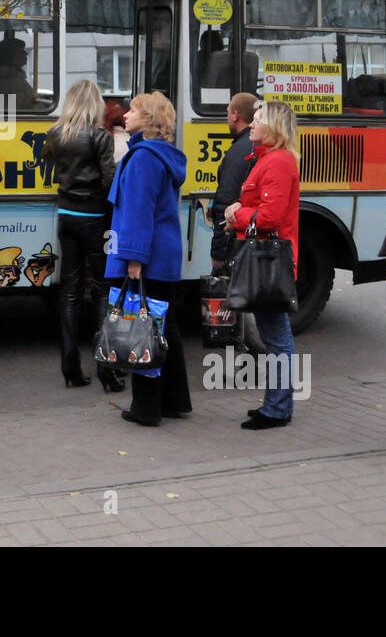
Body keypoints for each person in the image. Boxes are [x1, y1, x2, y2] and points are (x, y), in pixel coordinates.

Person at [105, 91, 192, 425]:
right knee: (163, 327)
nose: (126, 114)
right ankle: (173, 400)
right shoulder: (161, 154)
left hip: (147, 256)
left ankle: (146, 407)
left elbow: (139, 212)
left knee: (143, 330)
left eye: (134, 110)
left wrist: (134, 259)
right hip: (163, 256)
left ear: (150, 119)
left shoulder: (142, 157)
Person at [223, 99, 301, 430]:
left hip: (271, 262)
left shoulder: (278, 162)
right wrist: (239, 213)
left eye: (258, 120)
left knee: (277, 336)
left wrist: (236, 213)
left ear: (274, 127)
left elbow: (270, 217)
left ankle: (278, 408)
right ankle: (275, 404)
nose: (252, 124)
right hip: (266, 258)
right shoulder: (267, 160)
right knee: (273, 334)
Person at [43, 79, 118, 389]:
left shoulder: (57, 133)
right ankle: (105, 367)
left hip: (66, 216)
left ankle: (70, 367)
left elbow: (48, 161)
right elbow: (108, 179)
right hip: (94, 217)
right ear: (94, 104)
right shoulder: (100, 136)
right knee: (101, 290)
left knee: (70, 291)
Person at [209, 93, 259, 272]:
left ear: (235, 115)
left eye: (228, 112)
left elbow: (226, 202)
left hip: (233, 243)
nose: (227, 118)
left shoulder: (239, 151)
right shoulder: (255, 146)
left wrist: (219, 253)